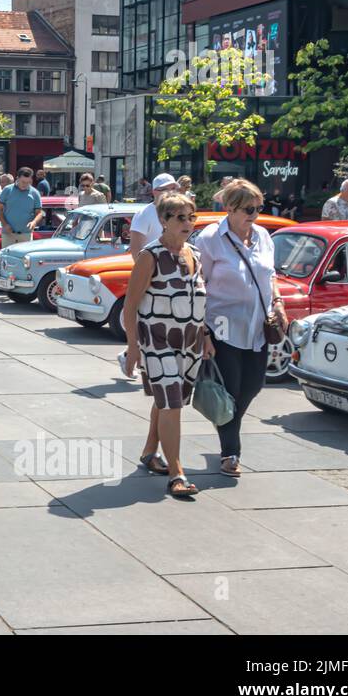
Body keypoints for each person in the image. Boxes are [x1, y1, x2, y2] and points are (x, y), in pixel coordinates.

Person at [198, 179, 287, 478]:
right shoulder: (210, 238)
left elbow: (270, 274)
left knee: (253, 387)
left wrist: (278, 302)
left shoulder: (263, 236)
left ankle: (227, 429)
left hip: (258, 326)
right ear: (229, 208)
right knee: (231, 390)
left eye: (259, 208)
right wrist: (204, 333)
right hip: (222, 327)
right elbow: (199, 287)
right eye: (248, 209)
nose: (255, 214)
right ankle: (230, 452)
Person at [123, 192, 205, 500]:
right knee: (172, 404)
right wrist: (134, 348)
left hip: (191, 342)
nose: (187, 223)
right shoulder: (150, 255)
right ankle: (177, 473)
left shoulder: (194, 253)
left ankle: (149, 452)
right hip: (156, 340)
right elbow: (130, 306)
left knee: (167, 399)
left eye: (191, 217)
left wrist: (206, 337)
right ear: (163, 221)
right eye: (180, 218)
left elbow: (198, 300)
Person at [128, 173, 180, 257]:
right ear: (154, 192)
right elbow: (135, 249)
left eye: (173, 188)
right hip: (152, 266)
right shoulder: (143, 214)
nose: (171, 192)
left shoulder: (180, 212)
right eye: (165, 189)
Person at [0, 167, 44, 248]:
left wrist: (34, 222)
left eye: (28, 182)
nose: (25, 185)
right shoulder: (7, 190)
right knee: (7, 259)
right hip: (8, 234)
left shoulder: (35, 193)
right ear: (17, 178)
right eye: (23, 182)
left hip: (26, 235)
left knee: (25, 260)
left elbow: (39, 213)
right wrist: (5, 224)